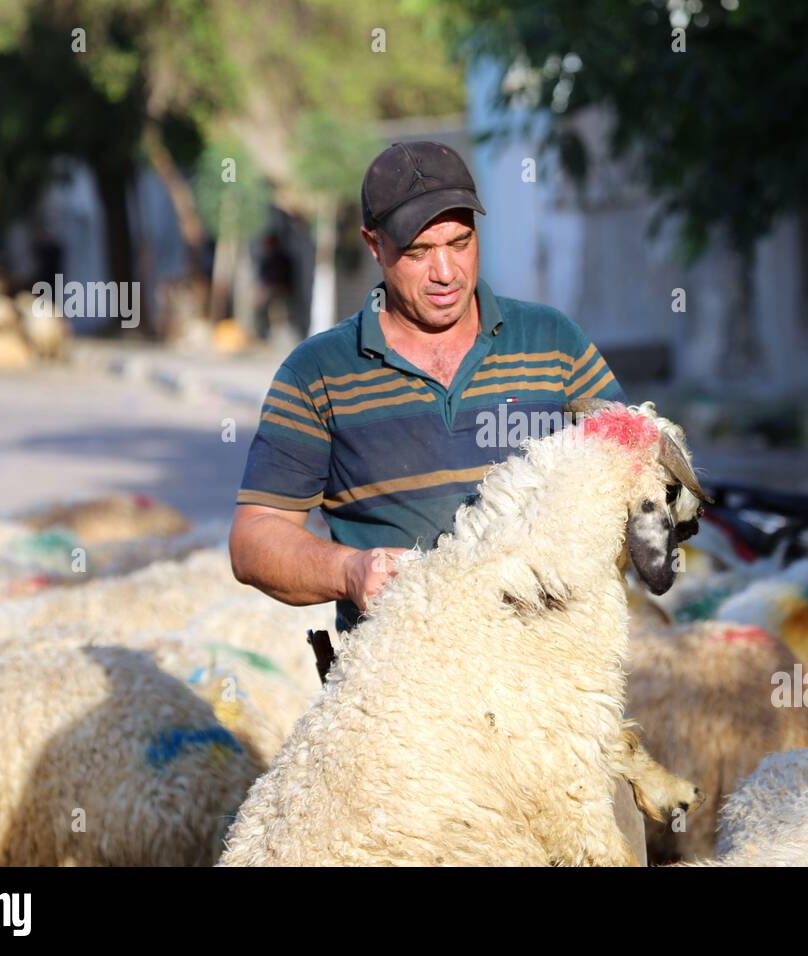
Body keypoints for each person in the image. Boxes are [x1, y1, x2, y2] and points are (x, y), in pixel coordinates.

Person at [229, 141, 647, 863]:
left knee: (612, 844)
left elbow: (628, 457)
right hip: (405, 723)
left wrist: (645, 498)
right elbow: (255, 538)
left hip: (553, 713)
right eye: (420, 252)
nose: (447, 270)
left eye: (461, 242)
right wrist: (352, 573)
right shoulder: (318, 374)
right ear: (374, 247)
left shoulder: (550, 343)